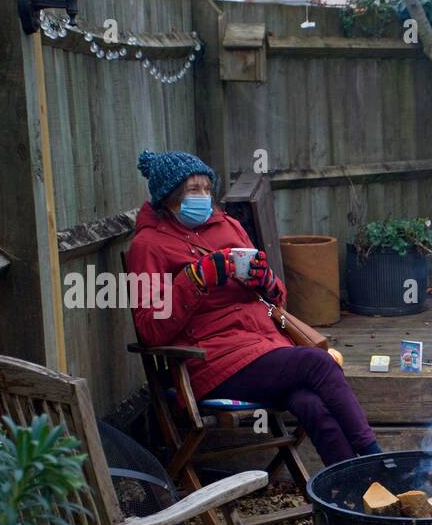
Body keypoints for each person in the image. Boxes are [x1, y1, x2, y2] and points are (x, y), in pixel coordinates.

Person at [127, 150, 379, 467]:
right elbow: (151, 329)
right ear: (170, 197)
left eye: (207, 189)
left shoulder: (228, 226)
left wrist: (265, 280)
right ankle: (376, 460)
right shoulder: (148, 246)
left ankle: (350, 494)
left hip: (262, 347)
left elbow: (276, 298)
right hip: (211, 361)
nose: (204, 197)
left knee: (310, 403)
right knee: (319, 364)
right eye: (194, 190)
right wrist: (196, 277)